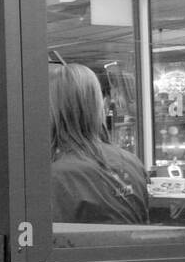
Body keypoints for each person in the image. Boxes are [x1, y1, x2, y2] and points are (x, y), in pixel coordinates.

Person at [49, 62, 149, 224]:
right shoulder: (132, 163)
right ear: (98, 105)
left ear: (51, 110)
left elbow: (45, 243)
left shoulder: (54, 175)